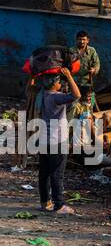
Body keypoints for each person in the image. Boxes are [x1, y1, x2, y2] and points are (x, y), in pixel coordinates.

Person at [34, 67, 80, 214]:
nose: (61, 84)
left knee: (44, 173)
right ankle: (59, 205)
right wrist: (69, 76)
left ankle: (45, 202)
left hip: (43, 140)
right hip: (57, 141)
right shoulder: (56, 97)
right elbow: (77, 95)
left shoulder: (41, 95)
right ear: (54, 84)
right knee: (57, 174)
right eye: (59, 82)